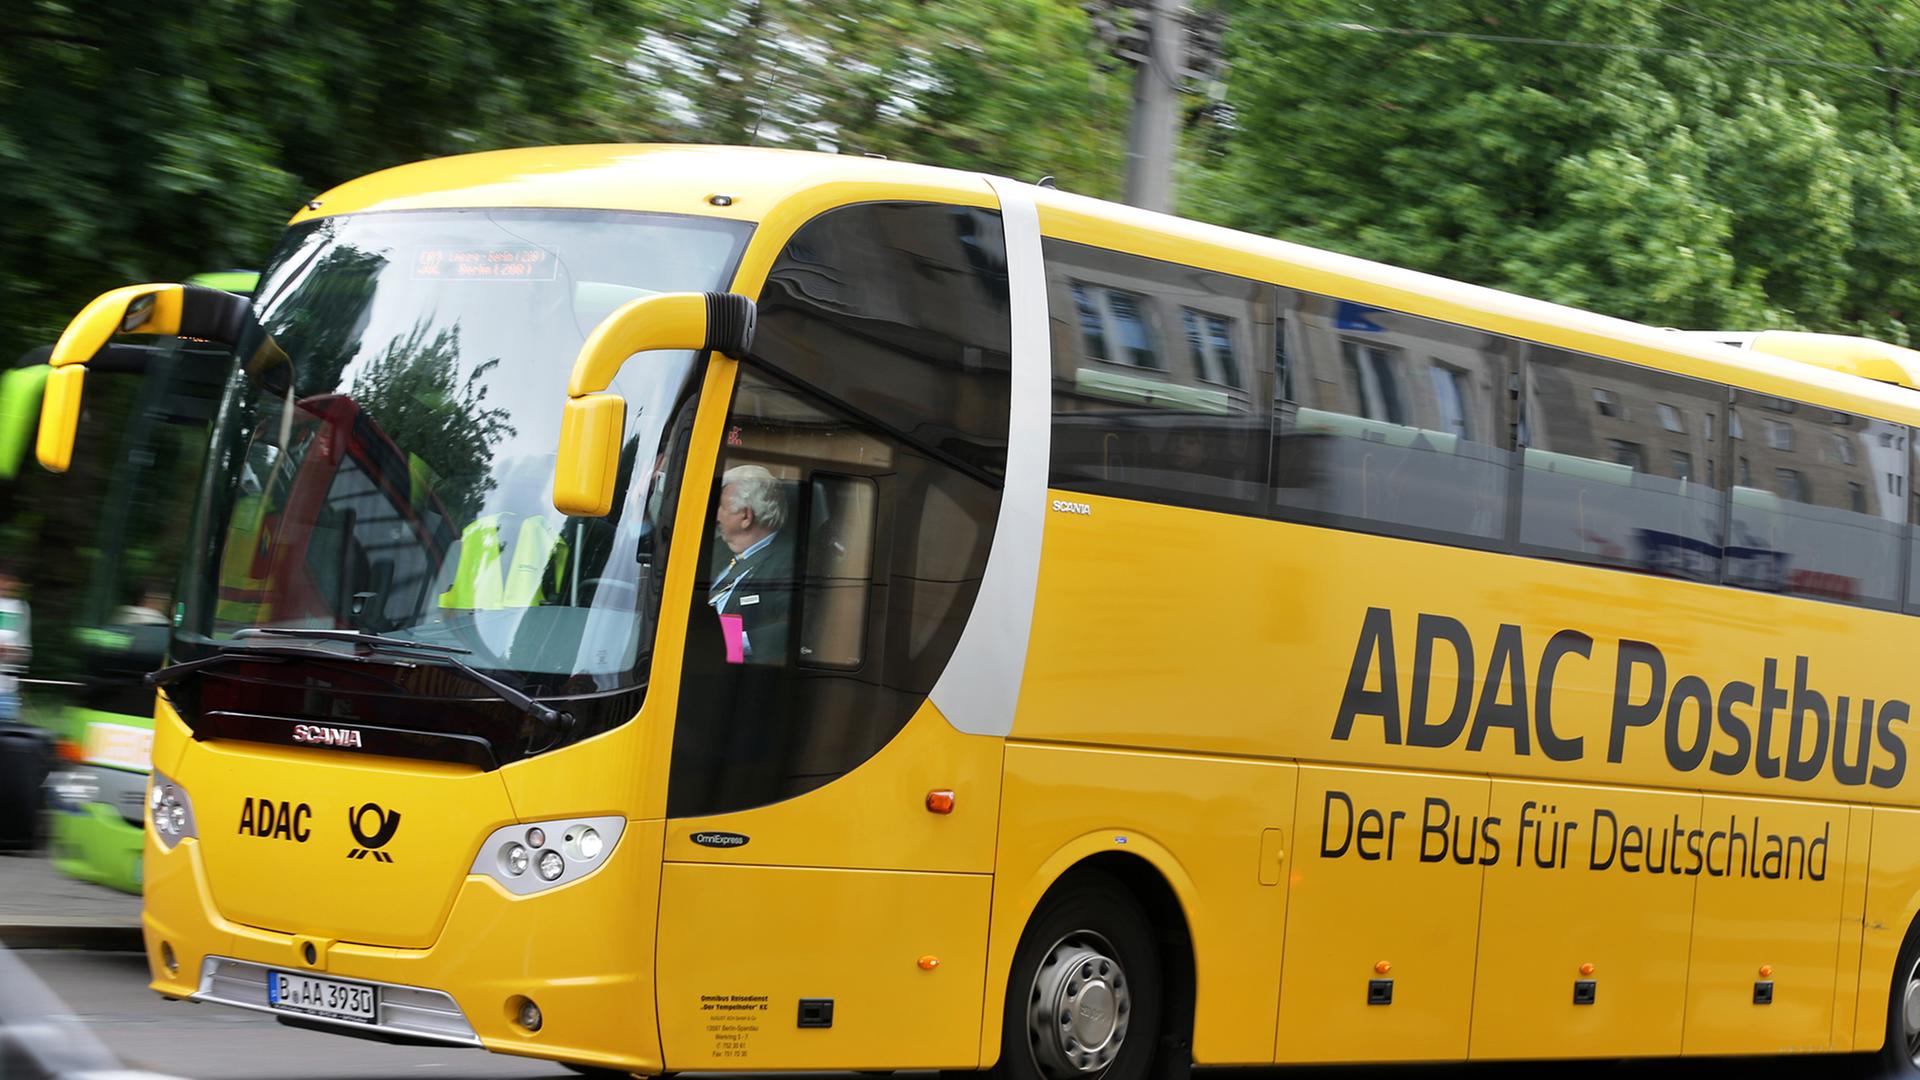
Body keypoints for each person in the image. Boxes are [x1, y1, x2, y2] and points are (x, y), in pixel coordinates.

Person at [707, 464, 794, 663]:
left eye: (723, 507)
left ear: (746, 517)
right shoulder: (718, 548)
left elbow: (795, 627)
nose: (717, 514)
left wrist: (732, 642)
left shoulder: (786, 564)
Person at [0, 563, 30, 721]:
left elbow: (25, 653)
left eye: (9, 580)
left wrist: (9, 652)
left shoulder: (20, 608)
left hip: (6, 693)